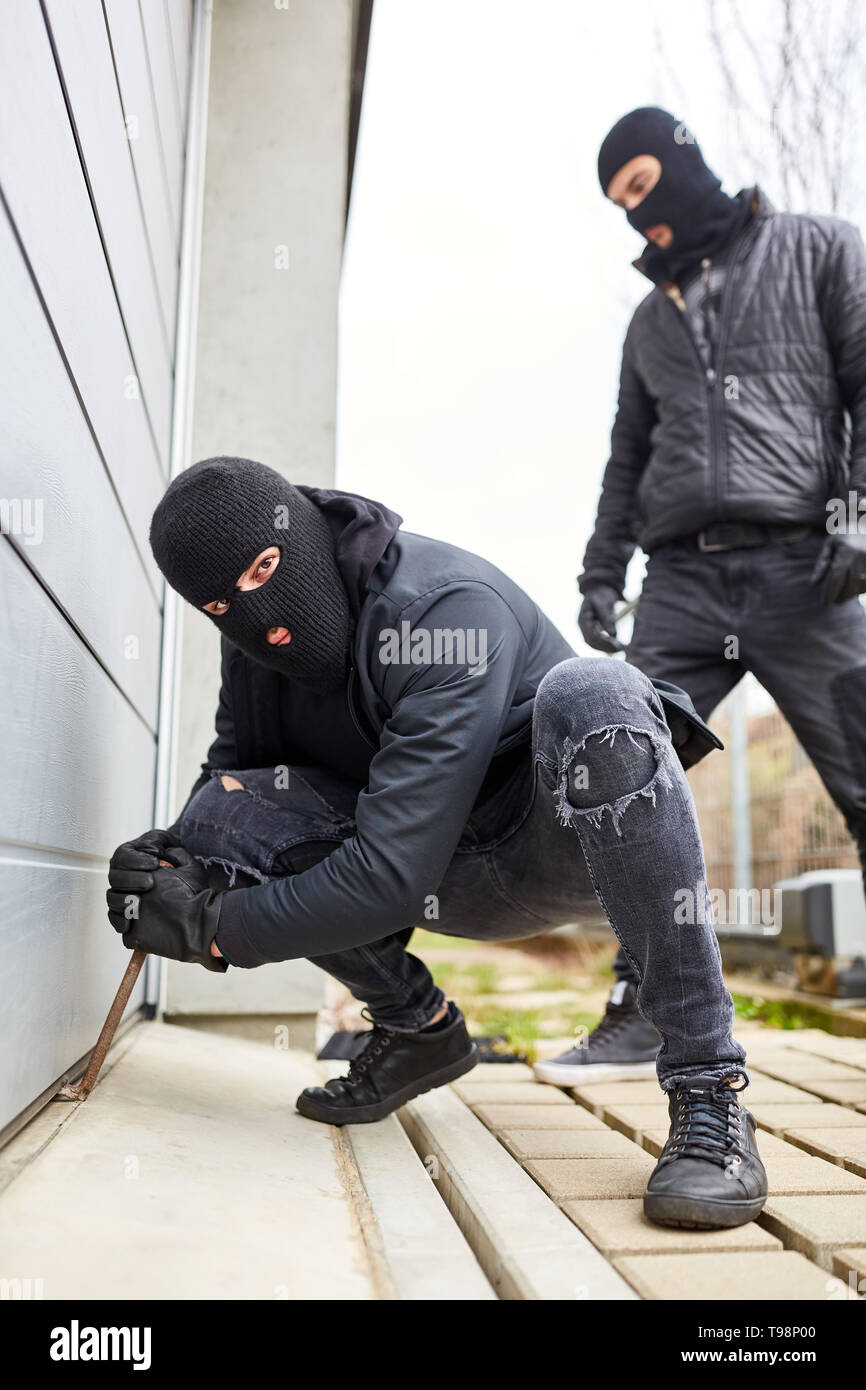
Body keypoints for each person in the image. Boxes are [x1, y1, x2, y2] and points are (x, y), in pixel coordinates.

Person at [106, 454, 767, 1229]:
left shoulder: (441, 607)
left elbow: (388, 878)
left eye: (265, 569)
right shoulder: (253, 650)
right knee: (215, 819)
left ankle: (708, 1092)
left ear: (306, 531)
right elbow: (233, 778)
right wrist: (172, 867)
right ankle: (416, 1030)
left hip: (555, 845)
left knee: (600, 688)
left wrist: (216, 933)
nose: (263, 616)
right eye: (224, 603)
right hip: (439, 869)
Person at [539, 106, 866, 1089]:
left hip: (802, 569)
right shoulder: (649, 321)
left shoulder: (817, 250)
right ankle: (640, 1009)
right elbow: (625, 458)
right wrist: (601, 573)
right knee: (621, 770)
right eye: (619, 206)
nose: (636, 217)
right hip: (679, 582)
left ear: (679, 163)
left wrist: (856, 510)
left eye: (639, 187)